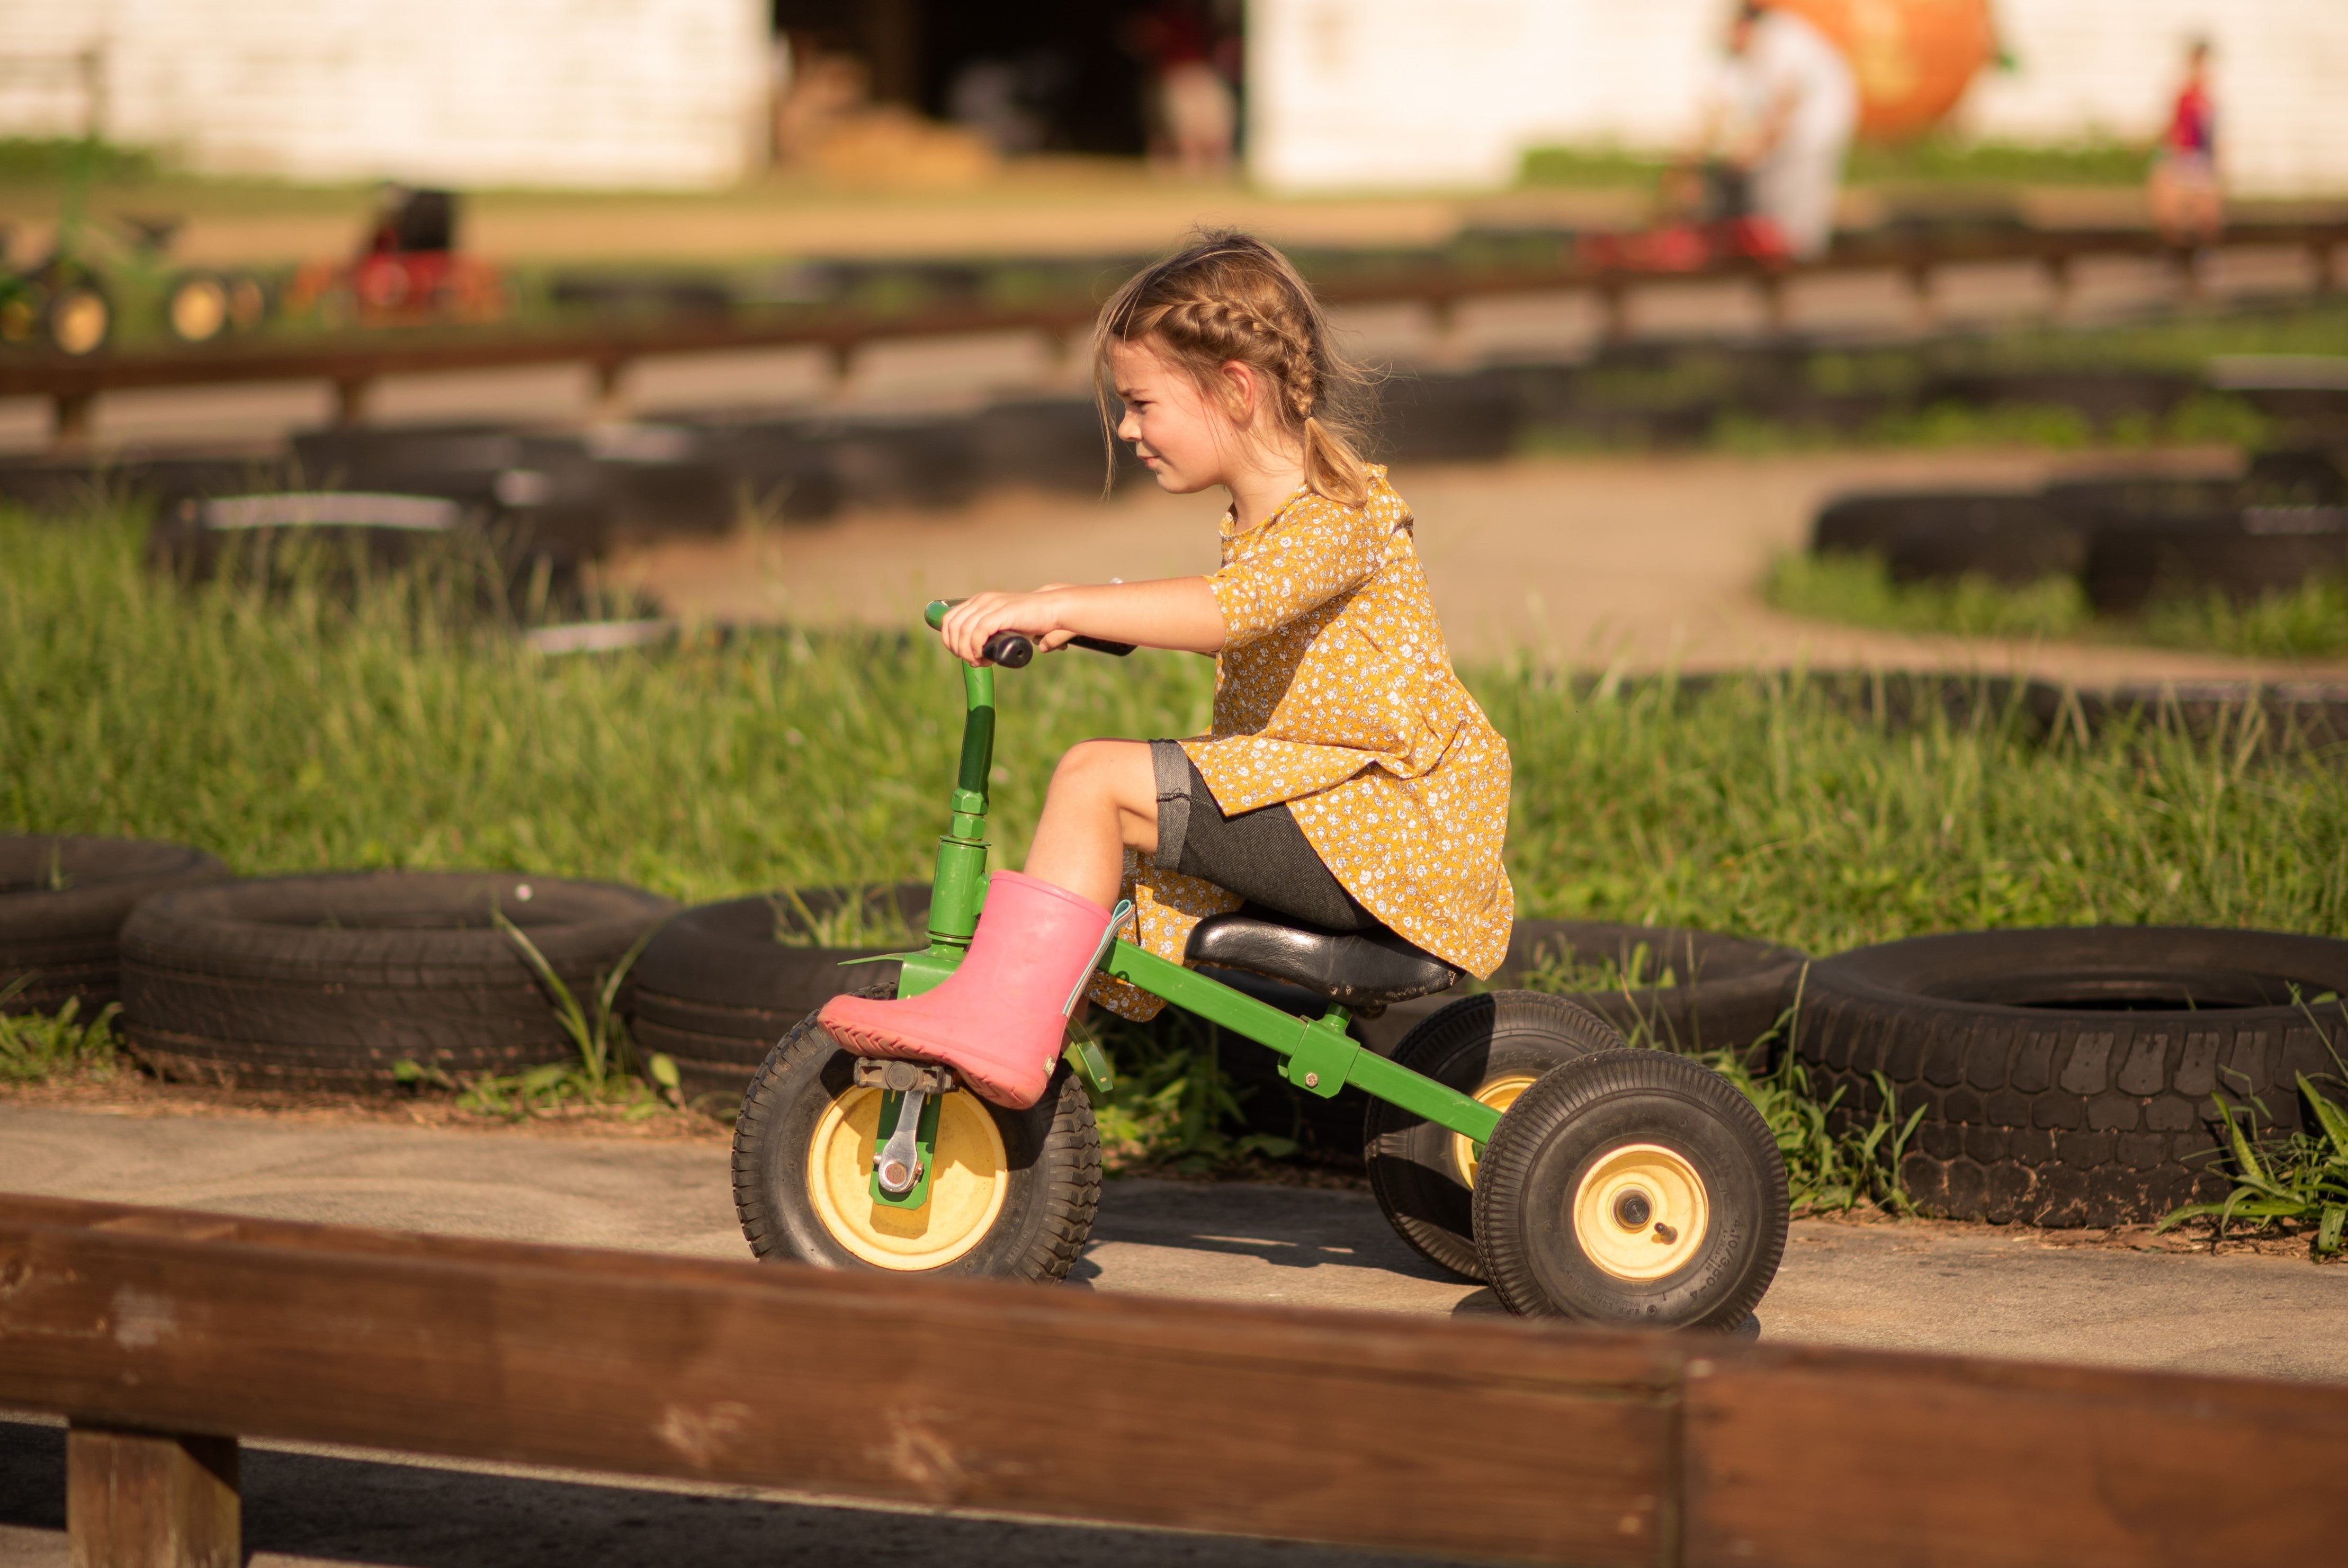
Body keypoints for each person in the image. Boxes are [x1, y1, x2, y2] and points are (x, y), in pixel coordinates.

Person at [820, 231, 1515, 1108]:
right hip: (1340, 823)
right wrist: (1078, 611)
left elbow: (1230, 611)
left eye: (1142, 403)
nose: (1126, 428)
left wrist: (1059, 604)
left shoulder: (1341, 516)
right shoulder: (1266, 525)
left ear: (1233, 387)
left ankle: (1005, 1023)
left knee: (1096, 779)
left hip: (1393, 835)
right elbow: (1228, 599)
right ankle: (1033, 1020)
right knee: (1111, 802)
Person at [1699, 1, 1858, 260]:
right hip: (1793, 135)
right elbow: (1722, 107)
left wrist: (1757, 146)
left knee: (1798, 203)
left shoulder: (1782, 38)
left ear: (1743, 26)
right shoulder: (1751, 52)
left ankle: (1800, 262)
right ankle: (1778, 256)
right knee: (1771, 196)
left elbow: (1787, 98)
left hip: (1814, 131)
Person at [2148, 38, 2221, 248]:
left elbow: (2209, 138)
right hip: (2182, 158)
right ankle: (2178, 254)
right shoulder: (2184, 95)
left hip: (2197, 160)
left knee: (2203, 212)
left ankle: (2199, 255)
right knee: (2169, 207)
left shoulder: (2206, 98)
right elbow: (2173, 130)